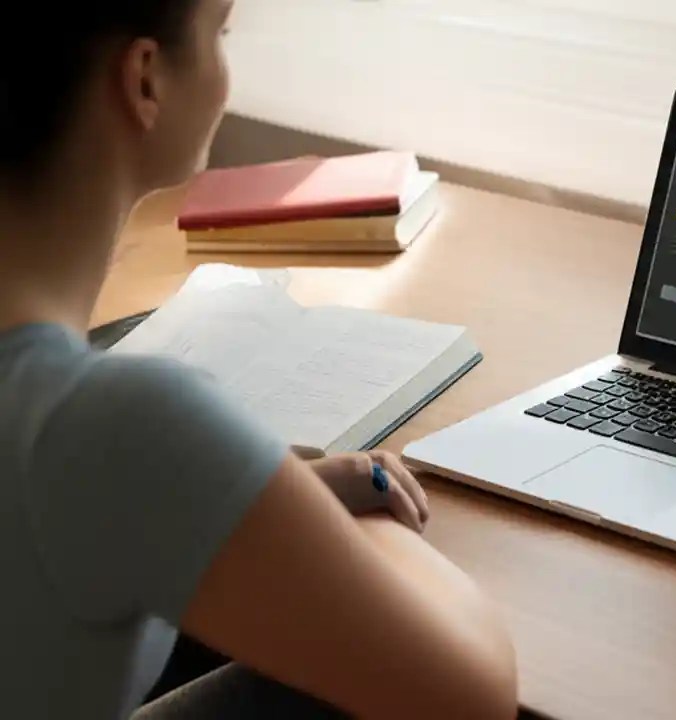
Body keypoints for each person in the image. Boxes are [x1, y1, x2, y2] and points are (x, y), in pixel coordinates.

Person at [0, 2, 518, 718]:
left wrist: (258, 498)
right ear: (145, 80)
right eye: (221, 33)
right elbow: (472, 696)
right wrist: (348, 518)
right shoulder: (111, 425)